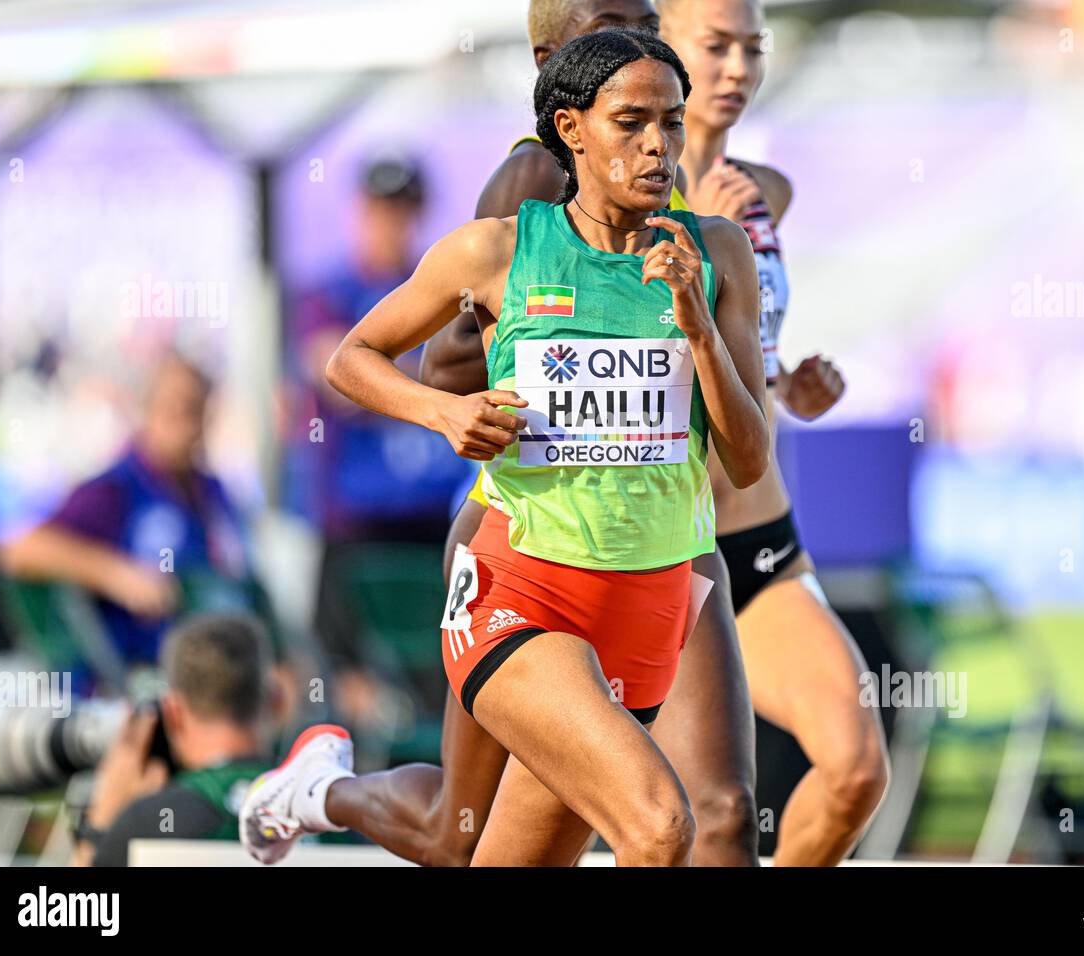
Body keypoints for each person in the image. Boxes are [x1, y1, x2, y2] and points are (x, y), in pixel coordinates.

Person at [242, 26, 768, 866]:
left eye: (671, 123)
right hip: (523, 588)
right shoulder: (498, 248)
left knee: (467, 846)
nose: (657, 145)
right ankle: (320, 788)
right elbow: (352, 359)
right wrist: (443, 414)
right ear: (571, 129)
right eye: (631, 122)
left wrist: (700, 333)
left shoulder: (716, 254)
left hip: (650, 607)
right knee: (660, 826)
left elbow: (747, 461)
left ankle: (314, 791)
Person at [655, 0, 890, 866]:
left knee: (857, 768)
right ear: (663, 43)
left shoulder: (764, 191)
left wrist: (794, 387)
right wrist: (694, 227)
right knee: (706, 823)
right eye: (714, 46)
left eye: (752, 49)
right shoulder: (627, 191)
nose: (737, 70)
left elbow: (748, 364)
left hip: (757, 537)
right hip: (657, 549)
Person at [284, 157, 468, 725]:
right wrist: (427, 381)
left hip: (430, 520)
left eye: (402, 209)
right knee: (339, 684)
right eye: (381, 209)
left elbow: (470, 366)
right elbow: (337, 375)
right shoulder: (330, 291)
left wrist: (383, 372)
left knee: (444, 679)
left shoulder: (435, 284)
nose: (391, 223)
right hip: (355, 526)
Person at [0, 354, 249, 672]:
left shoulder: (215, 493)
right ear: (149, 410)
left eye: (196, 409)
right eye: (176, 408)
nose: (187, 423)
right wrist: (116, 574)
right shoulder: (115, 489)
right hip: (141, 675)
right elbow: (16, 548)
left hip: (223, 672)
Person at [71, 613, 278, 867]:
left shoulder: (148, 823)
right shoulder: (327, 813)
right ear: (273, 702)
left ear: (174, 713)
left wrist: (101, 823)